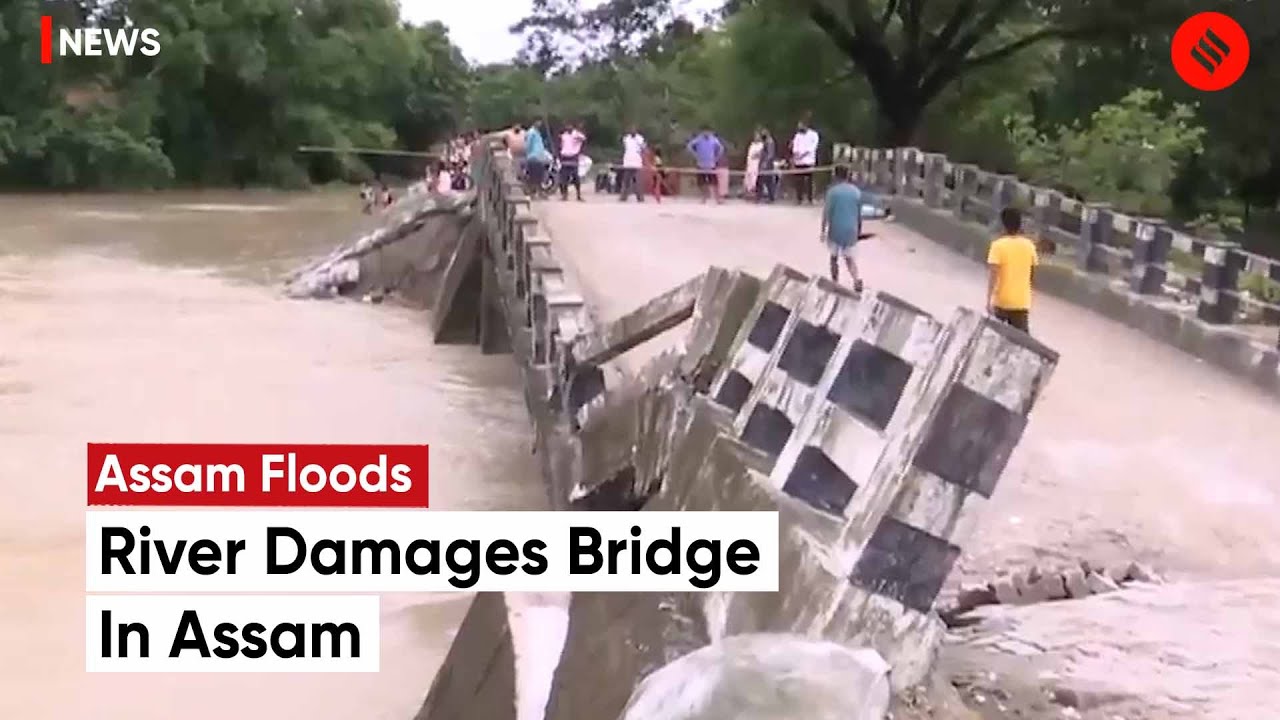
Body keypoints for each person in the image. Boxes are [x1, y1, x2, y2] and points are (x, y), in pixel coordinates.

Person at [987, 207, 1039, 333]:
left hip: (1002, 301)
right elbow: (1032, 275)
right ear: (1020, 224)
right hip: (1021, 302)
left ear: (1003, 225)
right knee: (1022, 341)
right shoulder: (1029, 246)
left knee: (995, 337)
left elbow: (993, 275)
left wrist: (988, 300)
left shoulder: (998, 246)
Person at [820, 165, 864, 293]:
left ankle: (835, 282)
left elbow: (826, 213)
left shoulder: (833, 192)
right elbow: (859, 214)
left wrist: (823, 230)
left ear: (836, 175)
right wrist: (859, 230)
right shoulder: (856, 192)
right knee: (850, 258)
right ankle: (856, 279)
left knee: (834, 258)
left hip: (836, 229)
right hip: (851, 229)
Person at [686, 126, 725, 204]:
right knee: (701, 182)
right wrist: (695, 154)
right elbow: (689, 146)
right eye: (704, 131)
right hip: (701, 164)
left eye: (708, 131)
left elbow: (721, 148)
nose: (706, 133)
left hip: (711, 164)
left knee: (714, 182)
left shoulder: (713, 139)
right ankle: (704, 198)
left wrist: (717, 157)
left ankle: (718, 199)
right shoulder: (698, 139)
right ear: (702, 132)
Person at [790, 119, 820, 205]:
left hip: (809, 161)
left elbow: (813, 147)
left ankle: (810, 199)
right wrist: (796, 155)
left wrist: (803, 154)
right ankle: (799, 199)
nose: (799, 127)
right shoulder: (797, 136)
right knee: (799, 180)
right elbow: (795, 147)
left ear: (805, 125)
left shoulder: (813, 135)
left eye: (801, 125)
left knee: (809, 181)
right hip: (798, 161)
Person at [558, 122, 587, 201]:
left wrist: (577, 134)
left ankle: (578, 195)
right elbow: (560, 144)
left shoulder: (577, 135)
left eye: (570, 126)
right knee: (564, 178)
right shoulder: (564, 135)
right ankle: (565, 195)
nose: (568, 127)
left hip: (573, 157)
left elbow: (583, 139)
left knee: (575, 178)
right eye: (567, 126)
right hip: (565, 157)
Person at [523, 121, 551, 198]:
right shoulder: (531, 132)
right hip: (533, 157)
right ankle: (533, 193)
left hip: (539, 157)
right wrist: (527, 153)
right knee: (534, 176)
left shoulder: (537, 133)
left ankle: (538, 193)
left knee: (539, 176)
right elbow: (528, 144)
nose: (540, 124)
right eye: (538, 122)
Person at [620, 126, 646, 202]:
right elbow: (625, 147)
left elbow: (643, 147)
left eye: (634, 130)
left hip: (637, 162)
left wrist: (640, 144)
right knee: (626, 180)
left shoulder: (640, 138)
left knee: (637, 181)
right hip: (628, 161)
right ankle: (623, 197)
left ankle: (640, 197)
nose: (632, 131)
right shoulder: (626, 138)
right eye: (631, 130)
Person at [756, 129, 777, 203]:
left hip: (767, 165)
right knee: (763, 181)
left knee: (767, 181)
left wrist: (765, 163)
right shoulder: (766, 142)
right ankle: (761, 197)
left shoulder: (769, 142)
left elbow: (770, 154)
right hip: (764, 164)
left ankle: (769, 198)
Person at [744, 131, 764, 200]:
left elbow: (761, 153)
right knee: (748, 179)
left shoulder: (761, 145)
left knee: (755, 179)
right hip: (750, 164)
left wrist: (756, 155)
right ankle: (749, 195)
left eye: (758, 136)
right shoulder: (752, 145)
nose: (756, 137)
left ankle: (756, 196)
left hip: (756, 164)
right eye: (755, 136)